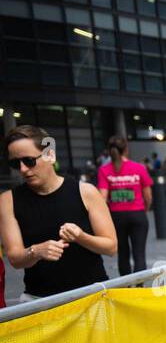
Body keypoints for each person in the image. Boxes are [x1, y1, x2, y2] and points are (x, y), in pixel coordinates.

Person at [0, 125, 115, 301]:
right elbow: (15, 258)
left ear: (50, 155)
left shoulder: (85, 192)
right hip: (39, 300)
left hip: (90, 295)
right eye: (15, 163)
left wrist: (81, 236)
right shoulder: (8, 200)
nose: (23, 169)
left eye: (29, 161)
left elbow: (111, 247)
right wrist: (36, 251)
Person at [97, 135, 152, 276]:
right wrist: (143, 210)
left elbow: (102, 197)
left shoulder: (104, 170)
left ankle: (126, 289)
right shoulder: (139, 168)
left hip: (116, 217)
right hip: (138, 215)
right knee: (139, 255)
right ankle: (140, 290)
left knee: (123, 255)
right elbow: (148, 196)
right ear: (126, 149)